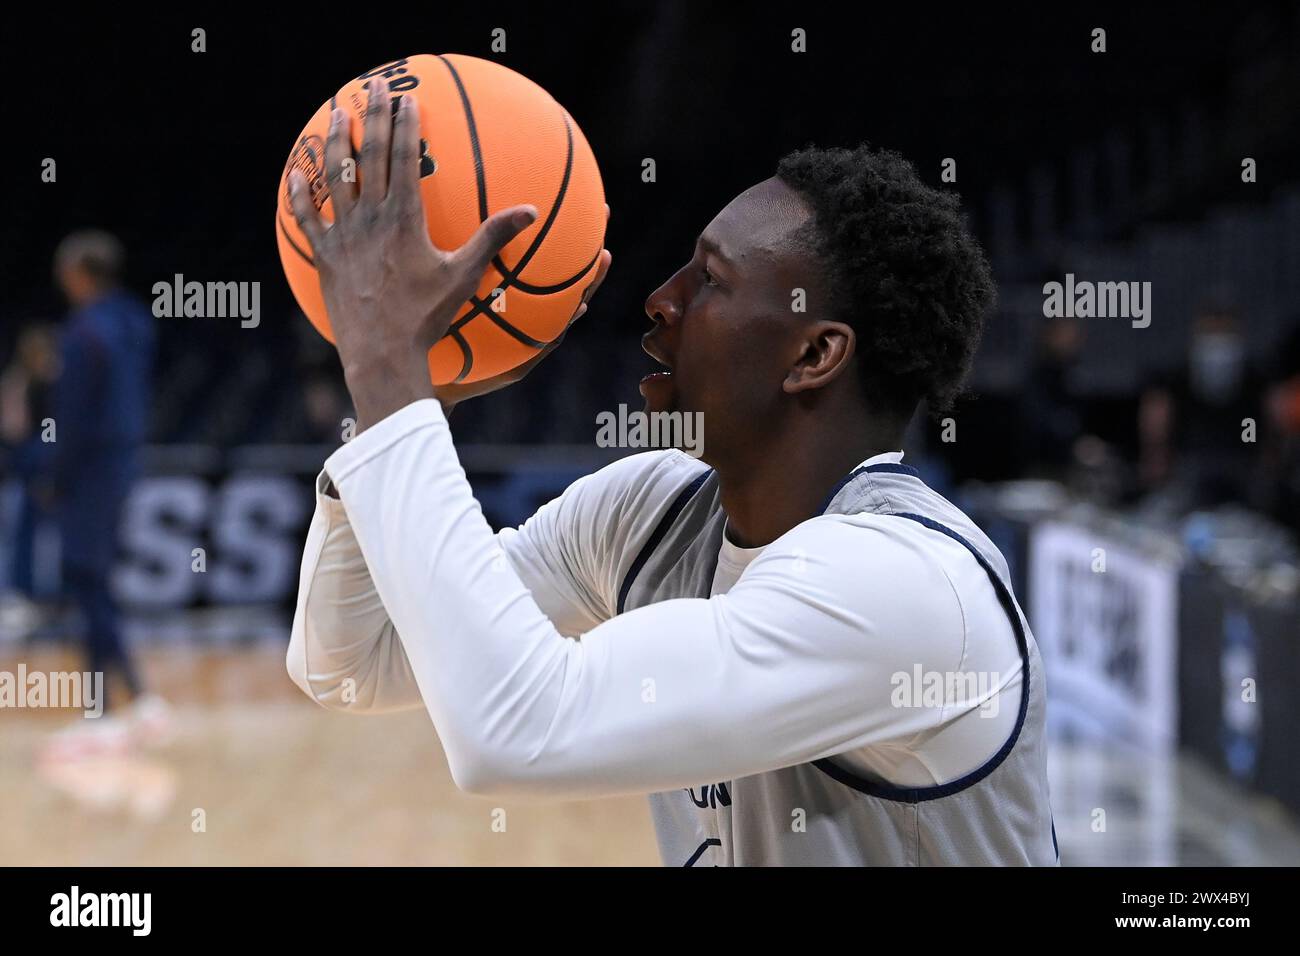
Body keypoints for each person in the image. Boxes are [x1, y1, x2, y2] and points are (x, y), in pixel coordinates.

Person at [286, 85, 1056, 865]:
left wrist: (388, 367)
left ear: (815, 355)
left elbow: (514, 734)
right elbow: (353, 662)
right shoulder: (648, 512)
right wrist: (424, 391)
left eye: (710, 281)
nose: (659, 300)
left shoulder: (905, 586)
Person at [42, 230, 170, 758]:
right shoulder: (135, 322)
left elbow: (71, 417)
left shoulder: (83, 333)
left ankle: (103, 713)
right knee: (96, 583)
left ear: (81, 275)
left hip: (89, 471)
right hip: (121, 464)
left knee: (85, 580)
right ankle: (136, 702)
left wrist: (52, 473)